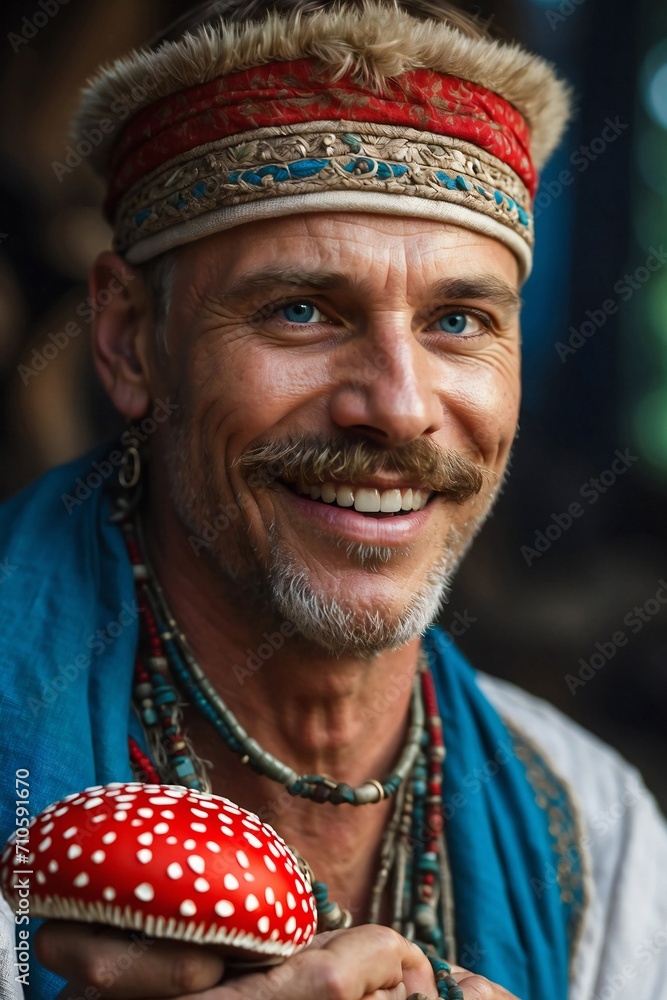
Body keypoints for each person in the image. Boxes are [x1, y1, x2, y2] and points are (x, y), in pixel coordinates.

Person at [1, 1, 666, 998]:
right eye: (302, 310)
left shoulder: (594, 831)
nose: (398, 408)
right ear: (130, 341)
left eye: (457, 320)